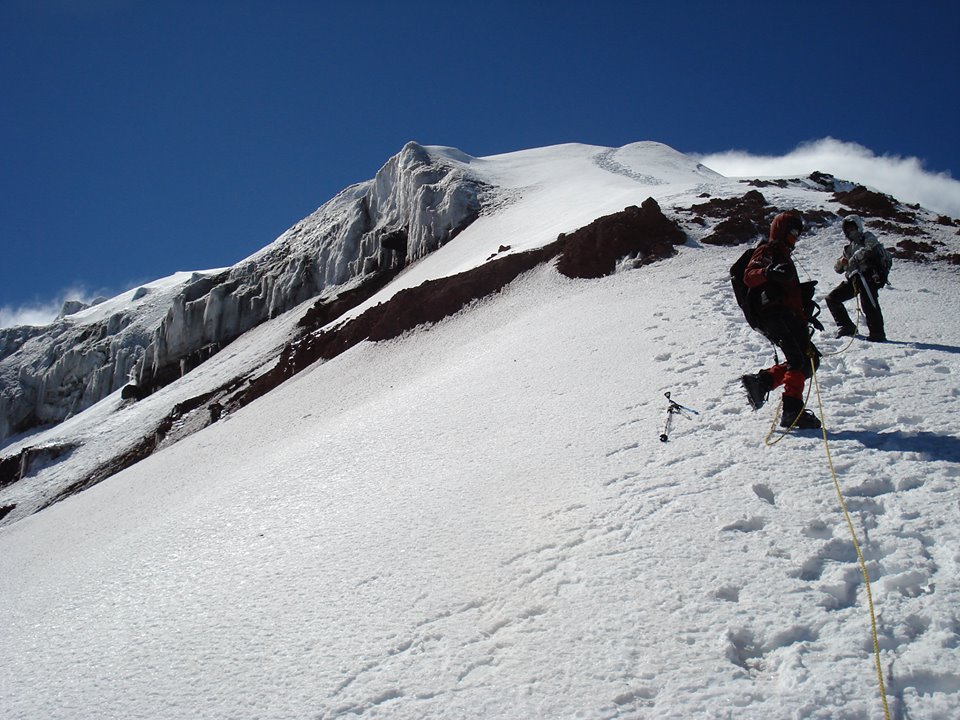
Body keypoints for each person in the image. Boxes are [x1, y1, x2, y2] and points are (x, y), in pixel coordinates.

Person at [740, 211, 823, 429]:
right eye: (792, 231)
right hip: (774, 314)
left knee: (810, 360)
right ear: (782, 230)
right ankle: (792, 412)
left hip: (791, 316)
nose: (795, 237)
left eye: (797, 233)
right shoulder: (768, 250)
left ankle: (762, 382)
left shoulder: (784, 255)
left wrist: (806, 313)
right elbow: (749, 276)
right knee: (798, 359)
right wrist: (769, 271)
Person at [826, 215, 886, 342]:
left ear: (858, 227)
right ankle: (846, 326)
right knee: (832, 298)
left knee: (869, 303)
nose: (850, 231)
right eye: (847, 229)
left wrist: (853, 259)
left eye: (852, 228)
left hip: (868, 276)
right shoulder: (848, 249)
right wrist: (842, 262)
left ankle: (877, 334)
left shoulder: (867, 237)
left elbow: (870, 248)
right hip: (854, 279)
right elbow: (837, 269)